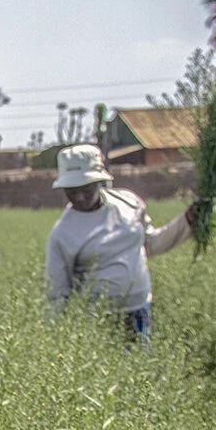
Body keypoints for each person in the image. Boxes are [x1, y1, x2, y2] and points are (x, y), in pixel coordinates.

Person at [43, 143, 193, 346]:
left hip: (139, 309)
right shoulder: (62, 234)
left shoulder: (129, 204)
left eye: (86, 189)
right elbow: (57, 293)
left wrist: (188, 221)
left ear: (100, 183)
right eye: (71, 191)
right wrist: (56, 338)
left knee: (139, 368)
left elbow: (152, 244)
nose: (79, 196)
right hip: (99, 319)